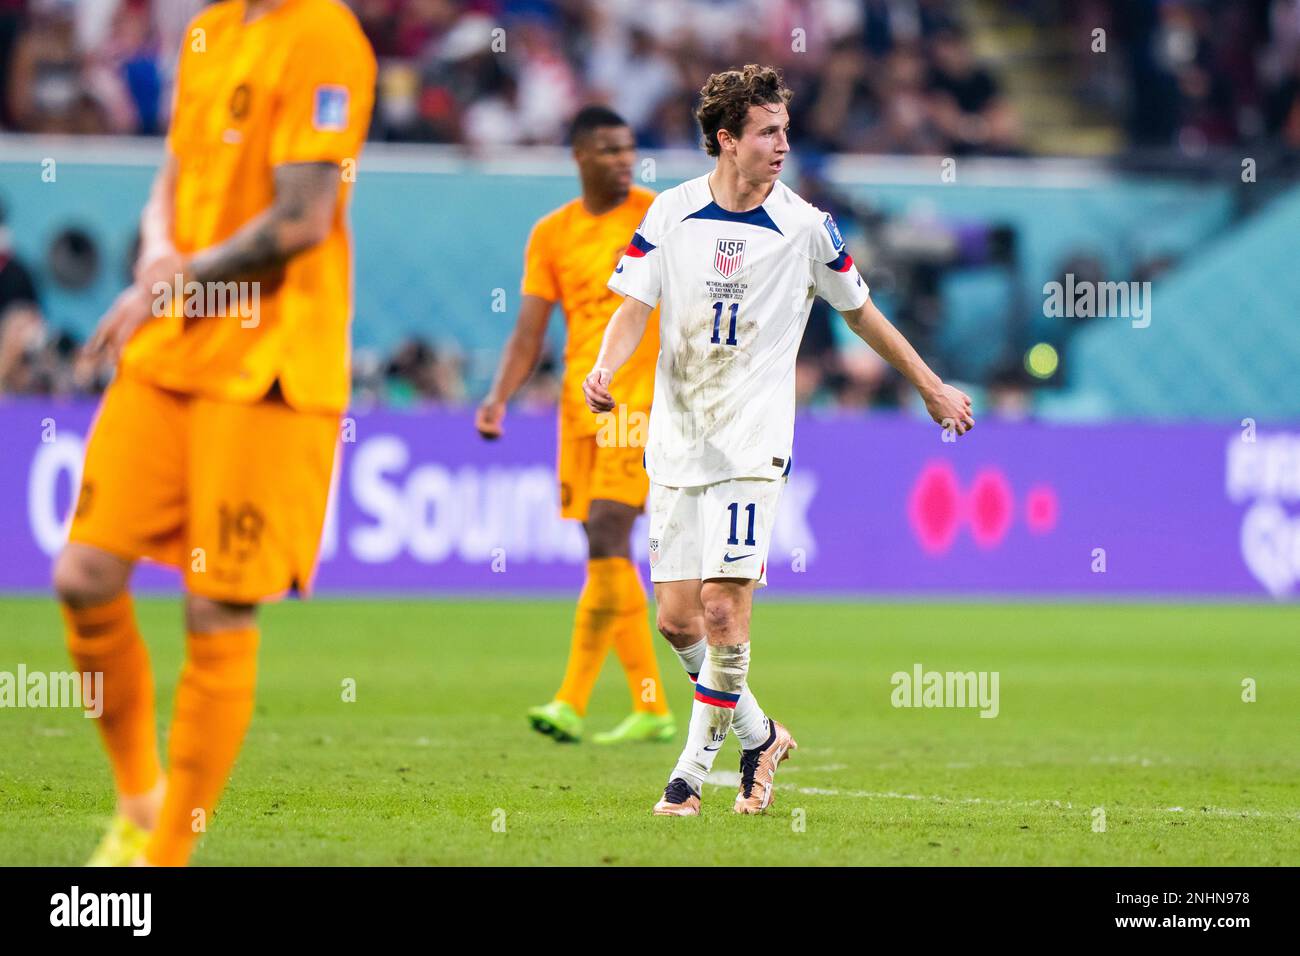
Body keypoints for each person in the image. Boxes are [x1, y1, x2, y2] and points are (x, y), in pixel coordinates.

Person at [584, 64, 974, 816]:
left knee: (724, 610)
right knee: (676, 619)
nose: (782, 145)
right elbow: (634, 303)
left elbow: (863, 314)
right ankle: (760, 735)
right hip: (677, 439)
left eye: (786, 131)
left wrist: (929, 384)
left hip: (752, 444)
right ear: (726, 139)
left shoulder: (807, 228)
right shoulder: (670, 214)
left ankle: (690, 779)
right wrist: (606, 365)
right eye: (768, 132)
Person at [53, 0, 375, 865]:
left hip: (267, 360)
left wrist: (177, 279)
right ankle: (139, 802)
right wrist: (158, 250)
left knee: (216, 604)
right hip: (173, 348)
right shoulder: (207, 29)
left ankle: (163, 865)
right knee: (84, 574)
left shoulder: (323, 38)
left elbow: (302, 222)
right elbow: (175, 167)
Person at [476, 106, 674, 745]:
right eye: (610, 149)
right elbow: (529, 331)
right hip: (575, 408)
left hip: (637, 401)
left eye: (629, 148)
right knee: (601, 549)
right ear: (580, 156)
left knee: (610, 530)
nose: (624, 160)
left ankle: (577, 700)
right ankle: (641, 705)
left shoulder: (658, 215)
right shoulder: (551, 233)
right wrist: (498, 398)